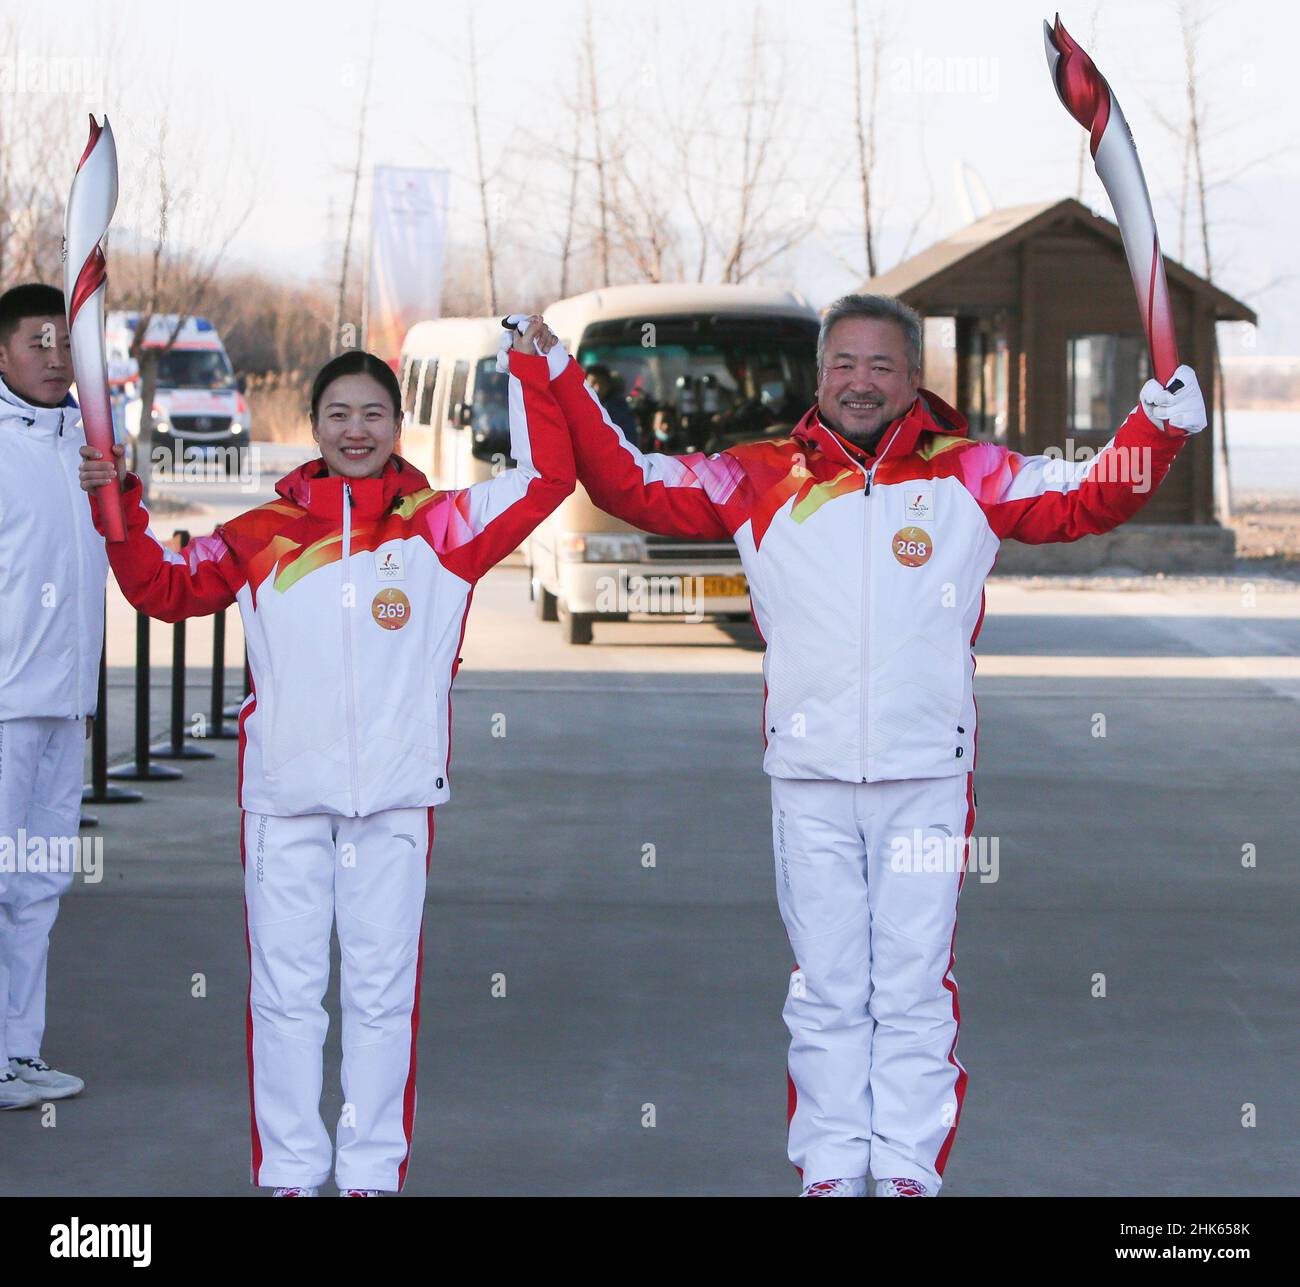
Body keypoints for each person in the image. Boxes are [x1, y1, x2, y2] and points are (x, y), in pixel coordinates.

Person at [541, 293, 1207, 1197]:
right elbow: (627, 481)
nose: (861, 382)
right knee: (826, 987)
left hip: (927, 773)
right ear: (820, 376)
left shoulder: (972, 471)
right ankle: (829, 1168)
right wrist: (556, 378)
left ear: (914, 377)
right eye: (844, 364)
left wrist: (1155, 428)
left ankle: (901, 1173)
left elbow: (1088, 497)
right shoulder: (758, 475)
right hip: (809, 780)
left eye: (881, 365)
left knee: (912, 987)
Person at [79, 317, 574, 1195]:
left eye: (374, 413)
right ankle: (293, 1174)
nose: (356, 429)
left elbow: (549, 477)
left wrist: (533, 363)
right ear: (313, 425)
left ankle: (371, 1175)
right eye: (339, 412)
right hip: (286, 802)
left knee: (382, 1000)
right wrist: (117, 509)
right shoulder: (260, 532)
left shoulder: (445, 525)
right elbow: (159, 587)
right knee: (286, 1000)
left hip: (393, 801)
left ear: (396, 424)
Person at [0, 283, 105, 1111]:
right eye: (37, 342)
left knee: (38, 883)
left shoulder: (92, 437)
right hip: (2, 706)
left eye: (67, 342)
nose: (55, 357)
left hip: (66, 707)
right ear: (2, 352)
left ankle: (18, 1050)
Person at [583, 364, 638, 445]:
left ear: (608, 385)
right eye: (593, 383)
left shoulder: (619, 408)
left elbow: (629, 439)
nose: (597, 388)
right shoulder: (578, 406)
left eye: (601, 383)